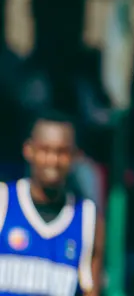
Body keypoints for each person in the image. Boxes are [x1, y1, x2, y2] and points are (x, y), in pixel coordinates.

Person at [0, 112, 105, 296]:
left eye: (62, 152)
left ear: (75, 156)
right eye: (45, 150)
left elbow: (90, 290)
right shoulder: (4, 201)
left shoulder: (88, 218)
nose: (53, 160)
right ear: (28, 150)